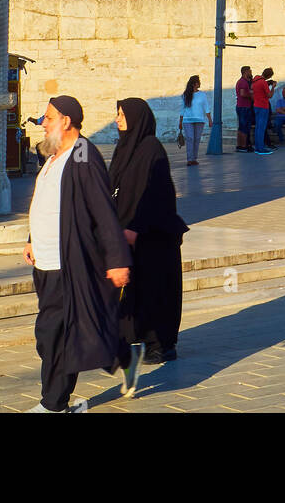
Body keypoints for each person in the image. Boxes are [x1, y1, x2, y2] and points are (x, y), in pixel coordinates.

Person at [22, 95, 132, 412]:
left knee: (54, 335)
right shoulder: (55, 155)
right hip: (44, 262)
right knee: (58, 333)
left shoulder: (83, 154)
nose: (42, 124)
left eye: (48, 118)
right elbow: (46, 202)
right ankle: (124, 357)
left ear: (66, 121)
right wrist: (32, 238)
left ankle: (53, 405)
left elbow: (104, 211)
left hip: (67, 264)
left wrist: (117, 260)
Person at [110, 98, 189, 372]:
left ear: (137, 118)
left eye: (122, 115)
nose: (118, 120)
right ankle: (138, 338)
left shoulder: (151, 149)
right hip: (128, 235)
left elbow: (157, 196)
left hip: (154, 236)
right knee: (136, 291)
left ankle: (162, 345)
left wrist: (137, 227)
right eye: (117, 114)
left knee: (157, 290)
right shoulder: (123, 149)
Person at [178, 74, 211, 165]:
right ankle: (189, 159)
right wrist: (180, 121)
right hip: (187, 120)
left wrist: (210, 120)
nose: (199, 83)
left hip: (200, 120)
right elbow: (183, 109)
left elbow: (206, 107)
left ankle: (194, 159)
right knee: (190, 138)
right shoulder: (186, 95)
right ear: (193, 84)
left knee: (196, 139)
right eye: (198, 82)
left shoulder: (202, 95)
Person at [252, 67, 274, 155]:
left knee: (258, 128)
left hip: (256, 106)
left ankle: (258, 147)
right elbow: (269, 95)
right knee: (261, 128)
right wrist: (273, 87)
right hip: (263, 106)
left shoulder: (255, 81)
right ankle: (260, 148)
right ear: (269, 76)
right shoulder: (263, 82)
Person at [235, 65, 254, 152]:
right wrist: (251, 94)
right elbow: (242, 93)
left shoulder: (243, 81)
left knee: (242, 127)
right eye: (249, 71)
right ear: (245, 72)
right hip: (244, 107)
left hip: (242, 106)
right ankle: (243, 146)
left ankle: (240, 145)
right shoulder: (243, 82)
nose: (251, 73)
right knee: (244, 127)